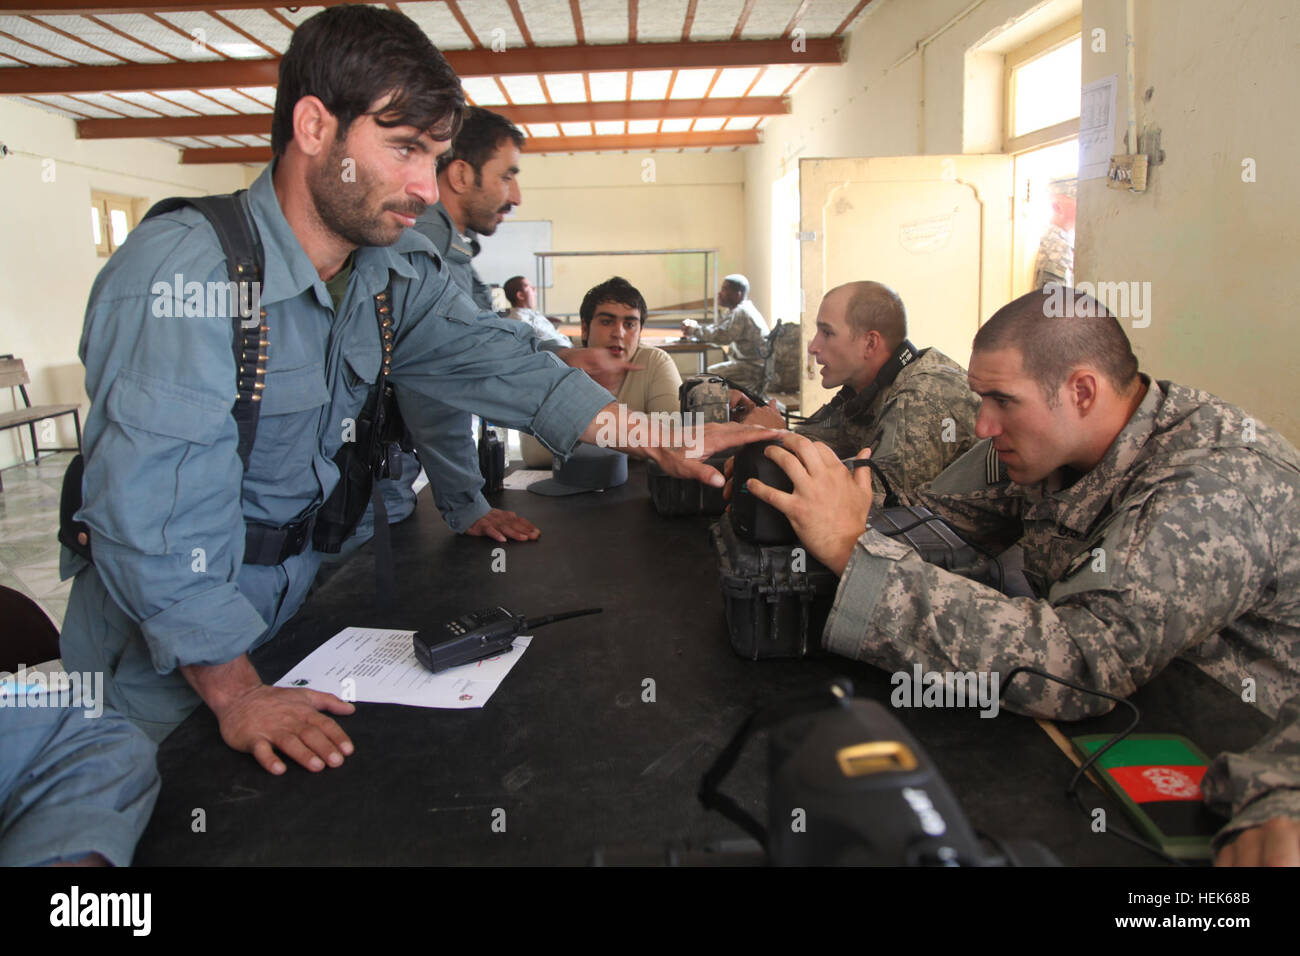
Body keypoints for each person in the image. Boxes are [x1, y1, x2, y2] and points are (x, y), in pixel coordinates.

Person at [58, 5, 772, 777]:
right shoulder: (188, 273)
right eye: (403, 149)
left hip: (281, 618)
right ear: (312, 127)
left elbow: (504, 363)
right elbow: (153, 523)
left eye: (433, 157)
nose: (426, 188)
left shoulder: (382, 277)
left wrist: (662, 439)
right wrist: (235, 693)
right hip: (163, 667)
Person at [743, 287, 1300, 866]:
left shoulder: (1212, 488)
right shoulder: (1067, 446)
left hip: (1243, 773)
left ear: (1082, 391)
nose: (983, 425)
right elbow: (945, 522)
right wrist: (819, 511)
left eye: (1002, 401)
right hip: (1139, 733)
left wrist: (852, 549)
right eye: (981, 397)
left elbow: (1080, 665)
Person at [731, 281, 979, 498]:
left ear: (870, 343)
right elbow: (819, 439)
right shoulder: (866, 390)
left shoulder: (924, 396)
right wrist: (764, 431)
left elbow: (875, 498)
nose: (814, 346)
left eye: (827, 333)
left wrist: (778, 439)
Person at [520, 277, 681, 467]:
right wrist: (642, 436)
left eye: (629, 325)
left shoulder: (654, 362)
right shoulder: (559, 363)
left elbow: (674, 435)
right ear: (585, 329)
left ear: (640, 331)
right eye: (606, 322)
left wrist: (573, 431)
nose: (619, 333)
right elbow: (535, 453)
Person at [682, 274, 770, 392]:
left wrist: (694, 330)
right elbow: (718, 329)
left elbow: (722, 337)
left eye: (725, 289)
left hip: (753, 368)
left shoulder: (741, 312)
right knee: (708, 375)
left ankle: (716, 409)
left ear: (737, 294)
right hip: (747, 364)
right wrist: (695, 328)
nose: (719, 293)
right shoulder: (735, 310)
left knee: (709, 376)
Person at [503, 274, 571, 350]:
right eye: (531, 288)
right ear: (520, 295)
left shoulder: (530, 315)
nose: (535, 291)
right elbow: (553, 343)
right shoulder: (521, 321)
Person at [1033, 177, 1076, 290]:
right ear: (1057, 206)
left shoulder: (1065, 242)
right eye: (1079, 200)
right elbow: (1054, 303)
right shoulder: (1055, 247)